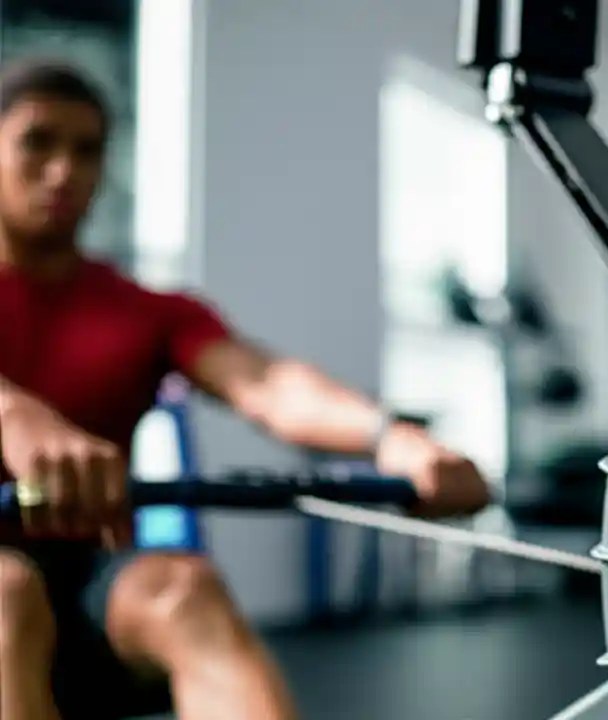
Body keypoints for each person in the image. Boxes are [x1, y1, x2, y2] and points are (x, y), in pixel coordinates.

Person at [0, 60, 492, 720]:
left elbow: (269, 386)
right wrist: (13, 413)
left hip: (90, 584)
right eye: (38, 141)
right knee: (6, 592)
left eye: (86, 151)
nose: (64, 170)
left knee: (186, 590)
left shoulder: (147, 311)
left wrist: (396, 441)